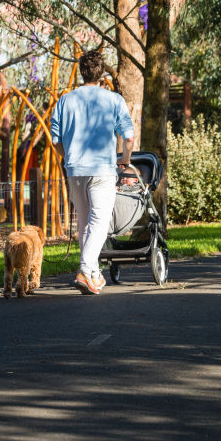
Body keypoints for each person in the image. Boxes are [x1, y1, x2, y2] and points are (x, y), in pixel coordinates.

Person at [50, 48, 134, 295]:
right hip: (102, 169)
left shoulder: (65, 100)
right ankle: (86, 270)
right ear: (100, 74)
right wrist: (126, 159)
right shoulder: (114, 100)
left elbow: (56, 140)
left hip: (75, 169)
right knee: (99, 221)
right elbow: (128, 137)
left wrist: (70, 158)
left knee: (85, 222)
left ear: (81, 71)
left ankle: (94, 274)